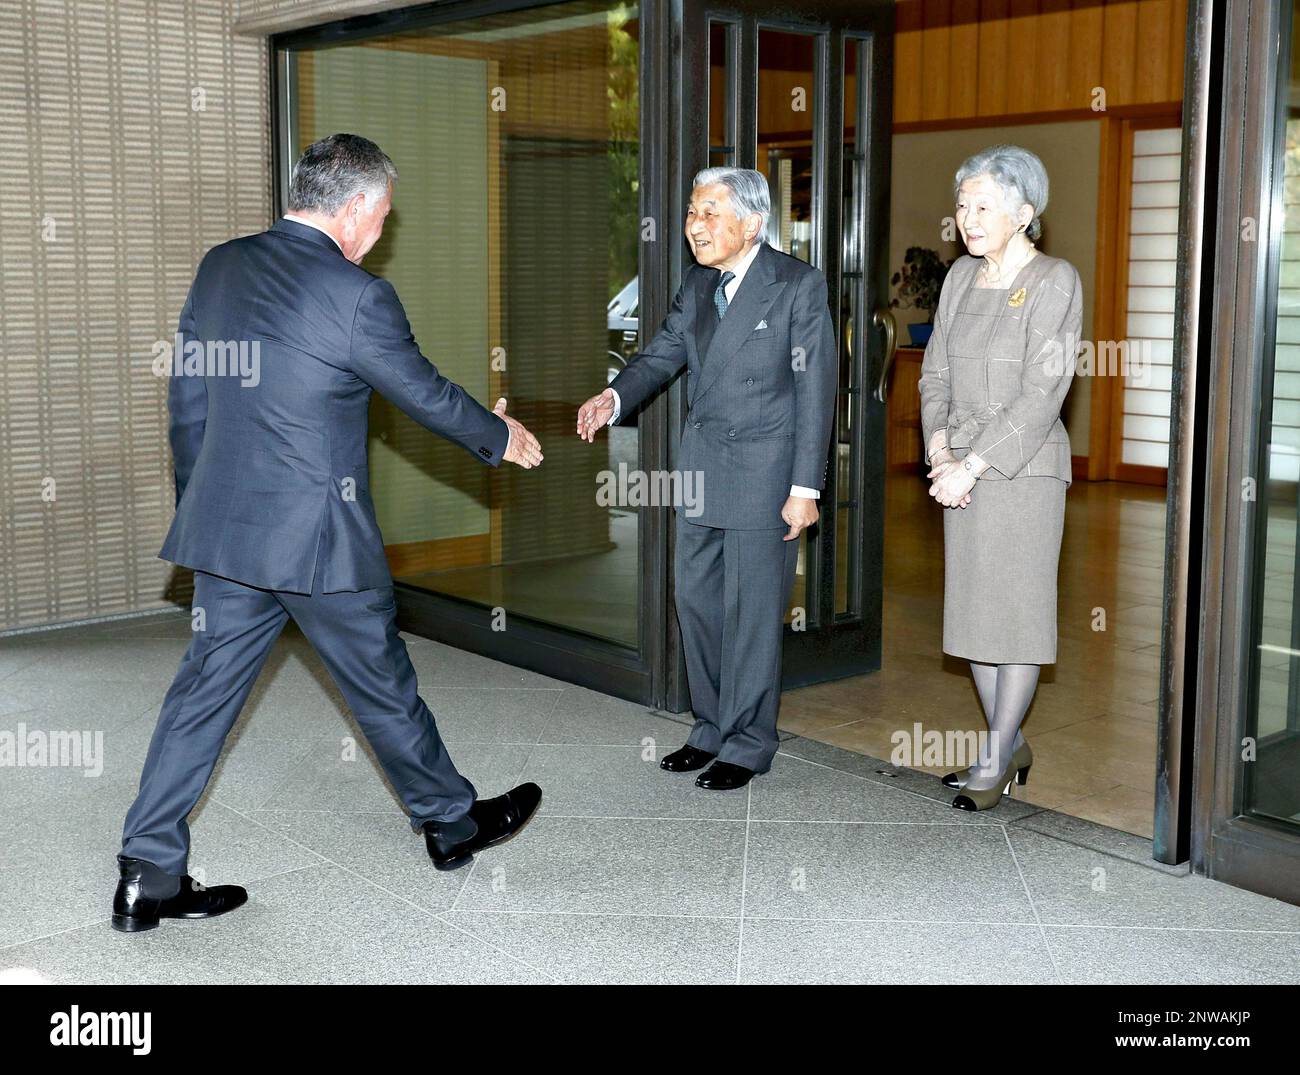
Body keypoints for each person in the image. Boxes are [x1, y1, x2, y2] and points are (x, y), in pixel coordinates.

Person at [113, 134, 543, 932]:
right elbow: (422, 392)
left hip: (231, 536)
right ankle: (451, 824)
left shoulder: (221, 266)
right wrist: (500, 435)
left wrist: (202, 506)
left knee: (200, 696)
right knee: (381, 685)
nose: (379, 233)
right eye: (381, 217)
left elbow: (190, 402)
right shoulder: (357, 296)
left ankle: (147, 873)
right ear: (353, 209)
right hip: (320, 542)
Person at [577, 167, 837, 790]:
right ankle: (711, 727)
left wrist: (807, 488)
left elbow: (816, 392)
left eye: (709, 213)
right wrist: (614, 399)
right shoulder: (697, 285)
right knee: (696, 604)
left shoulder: (797, 285)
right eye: (692, 213)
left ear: (751, 223)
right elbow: (661, 354)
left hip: (764, 477)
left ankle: (749, 742)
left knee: (751, 615)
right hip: (699, 474)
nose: (694, 226)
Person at [917, 144, 1081, 811]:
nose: (967, 216)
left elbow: (1044, 390)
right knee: (976, 616)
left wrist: (972, 464)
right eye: (962, 203)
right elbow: (934, 374)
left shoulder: (1054, 280)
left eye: (983, 204)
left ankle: (996, 754)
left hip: (1022, 470)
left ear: (1025, 212)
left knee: (1015, 617)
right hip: (957, 468)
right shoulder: (958, 279)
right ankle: (1007, 740)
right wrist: (938, 453)